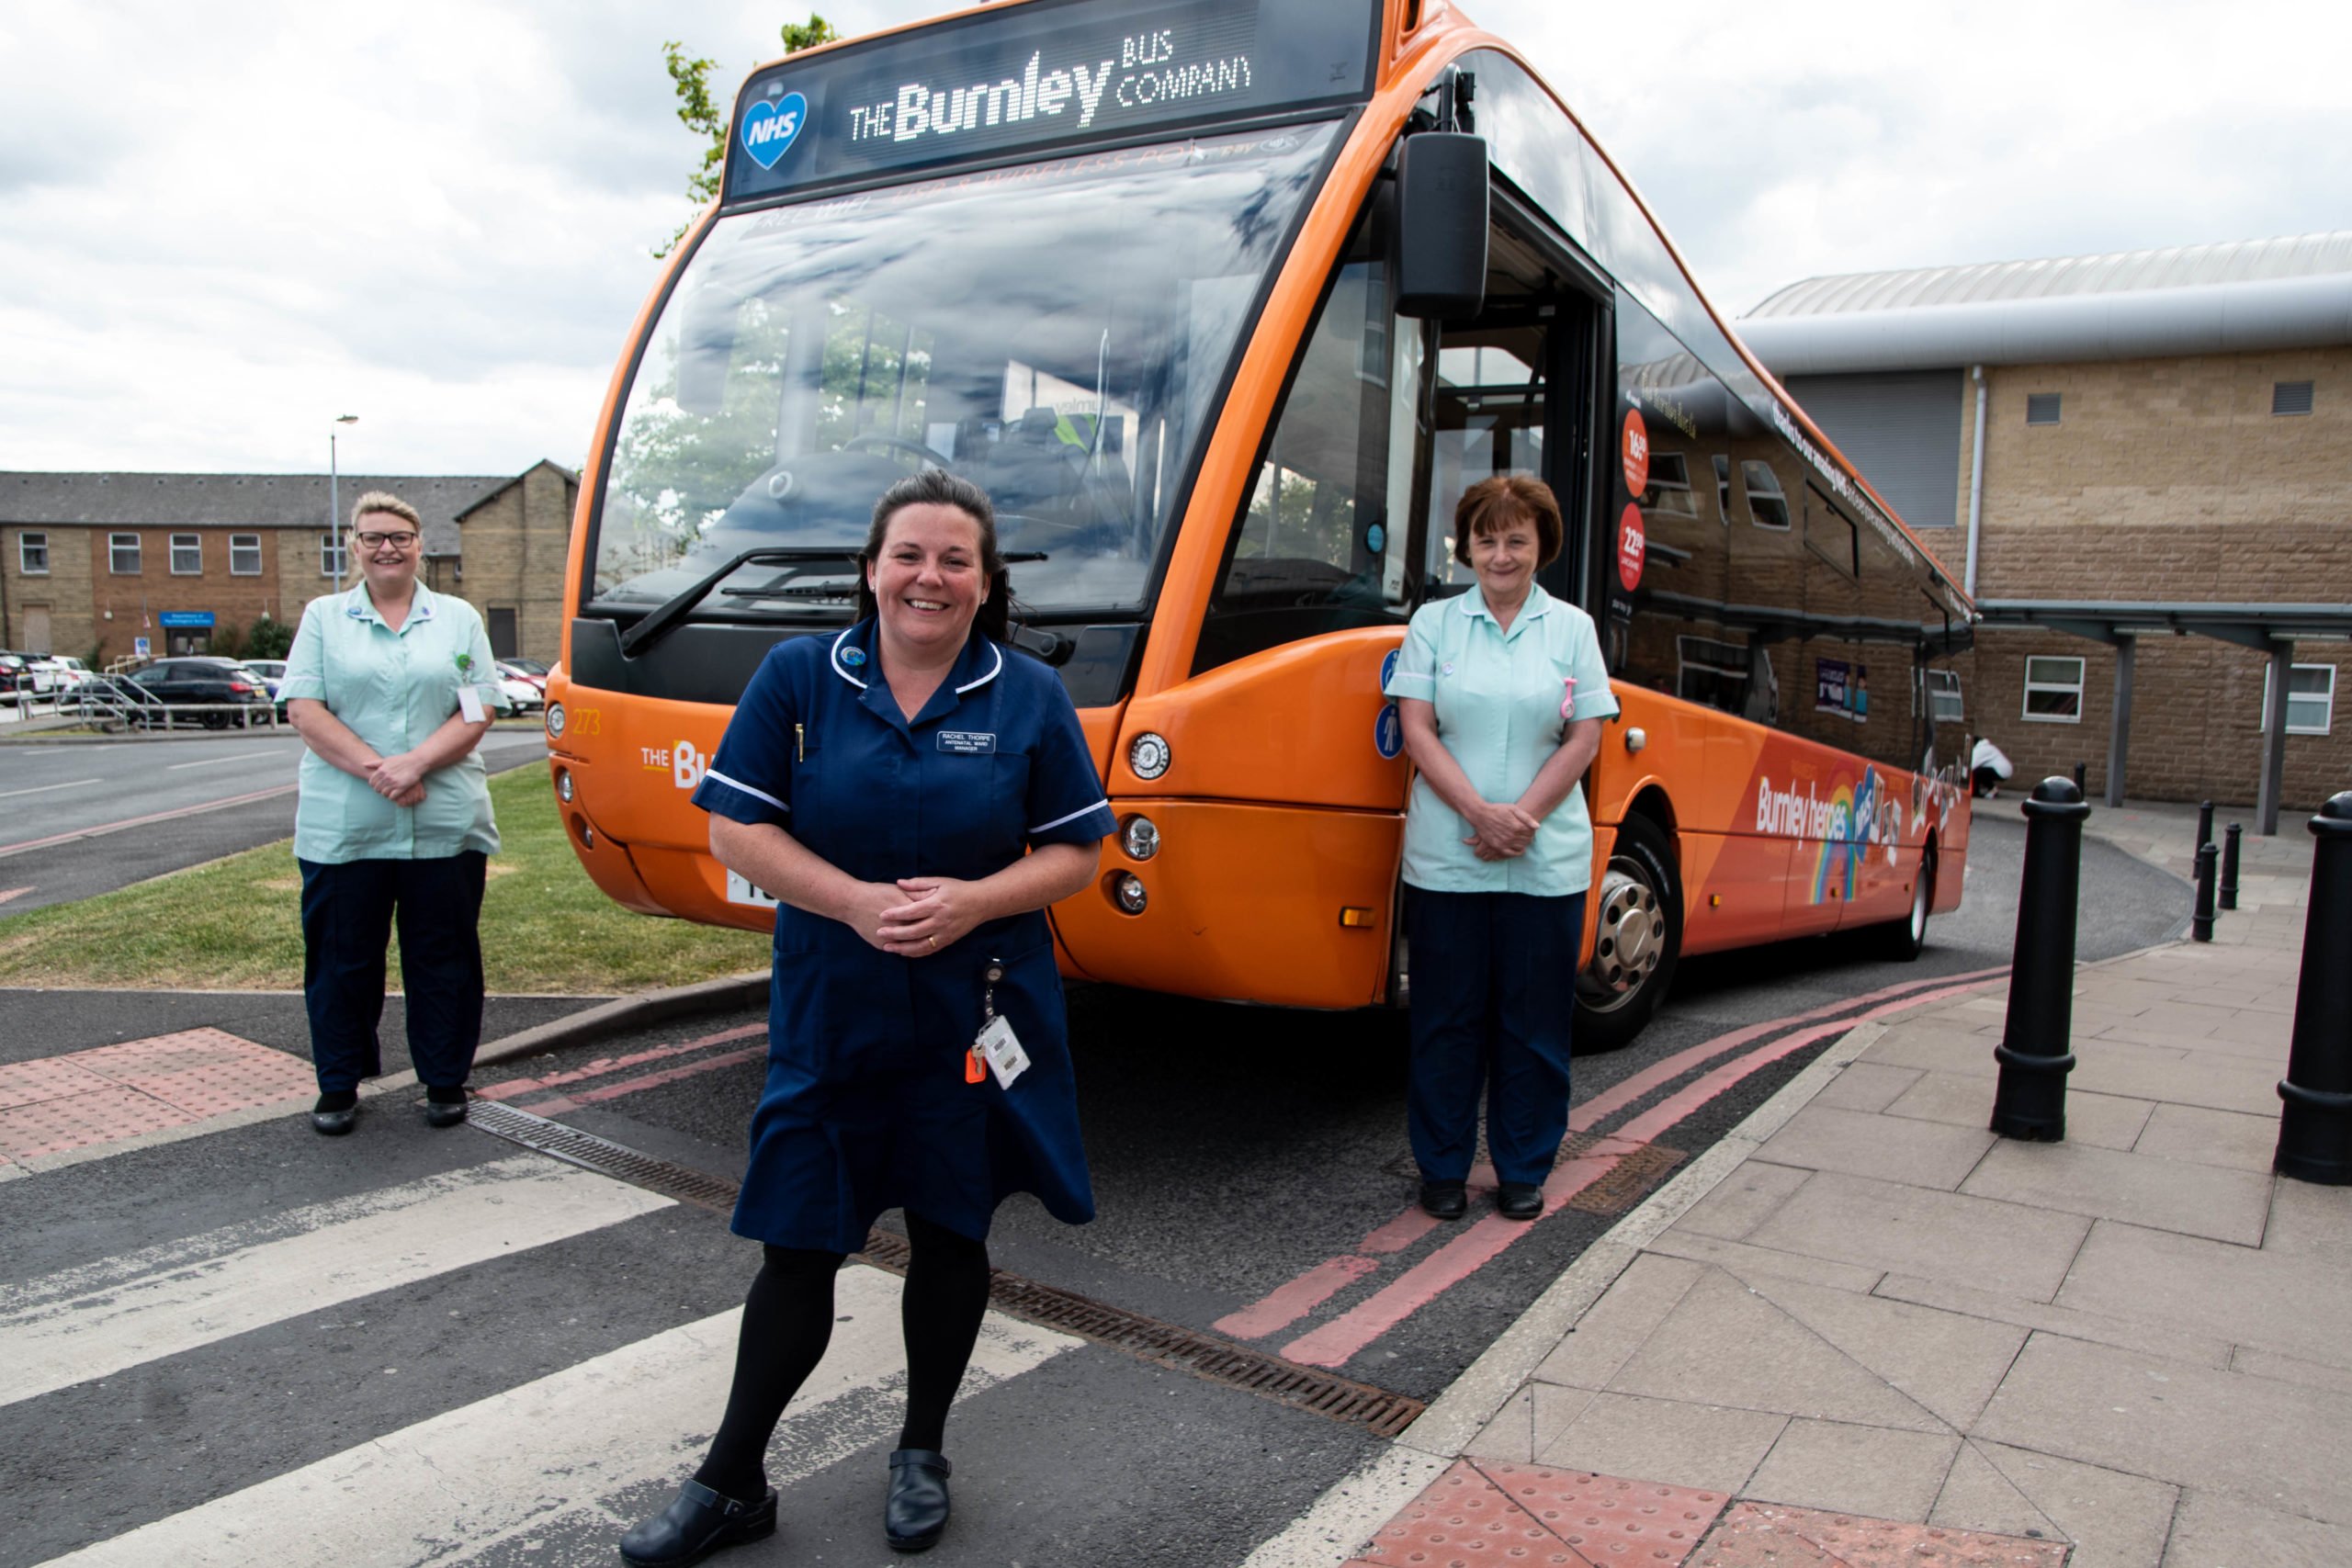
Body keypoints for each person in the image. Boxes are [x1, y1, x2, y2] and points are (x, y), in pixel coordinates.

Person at [620, 469, 1115, 1568]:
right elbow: (734, 830)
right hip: (832, 1010)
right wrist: (850, 902)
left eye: (954, 560)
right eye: (909, 555)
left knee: (951, 1229)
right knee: (799, 1241)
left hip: (971, 1009)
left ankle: (921, 1451)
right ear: (871, 570)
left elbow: (1076, 852)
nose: (929, 577)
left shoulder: (1028, 694)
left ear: (984, 582)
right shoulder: (800, 676)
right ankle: (731, 1480)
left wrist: (974, 902)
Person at [1381, 475, 1619, 1223]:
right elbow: (1417, 729)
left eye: (1517, 538)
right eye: (1487, 539)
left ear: (1542, 544)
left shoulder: (1573, 629)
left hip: (1545, 863)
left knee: (1534, 1026)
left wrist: (1520, 819)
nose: (1501, 554)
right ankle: (1442, 1168)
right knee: (1445, 1022)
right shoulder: (1434, 624)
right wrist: (1480, 814)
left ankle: (1522, 1167)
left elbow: (1585, 735)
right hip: (1448, 858)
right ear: (1468, 547)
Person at [280, 491, 507, 1136]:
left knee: (444, 957)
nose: (387, 548)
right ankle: (338, 1083)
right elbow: (304, 708)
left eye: (400, 537)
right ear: (353, 546)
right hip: (346, 826)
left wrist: (415, 765)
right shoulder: (324, 618)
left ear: (419, 546)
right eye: (374, 537)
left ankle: (445, 1078)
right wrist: (381, 771)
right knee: (342, 960)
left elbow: (479, 706)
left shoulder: (457, 619)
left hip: (443, 823)